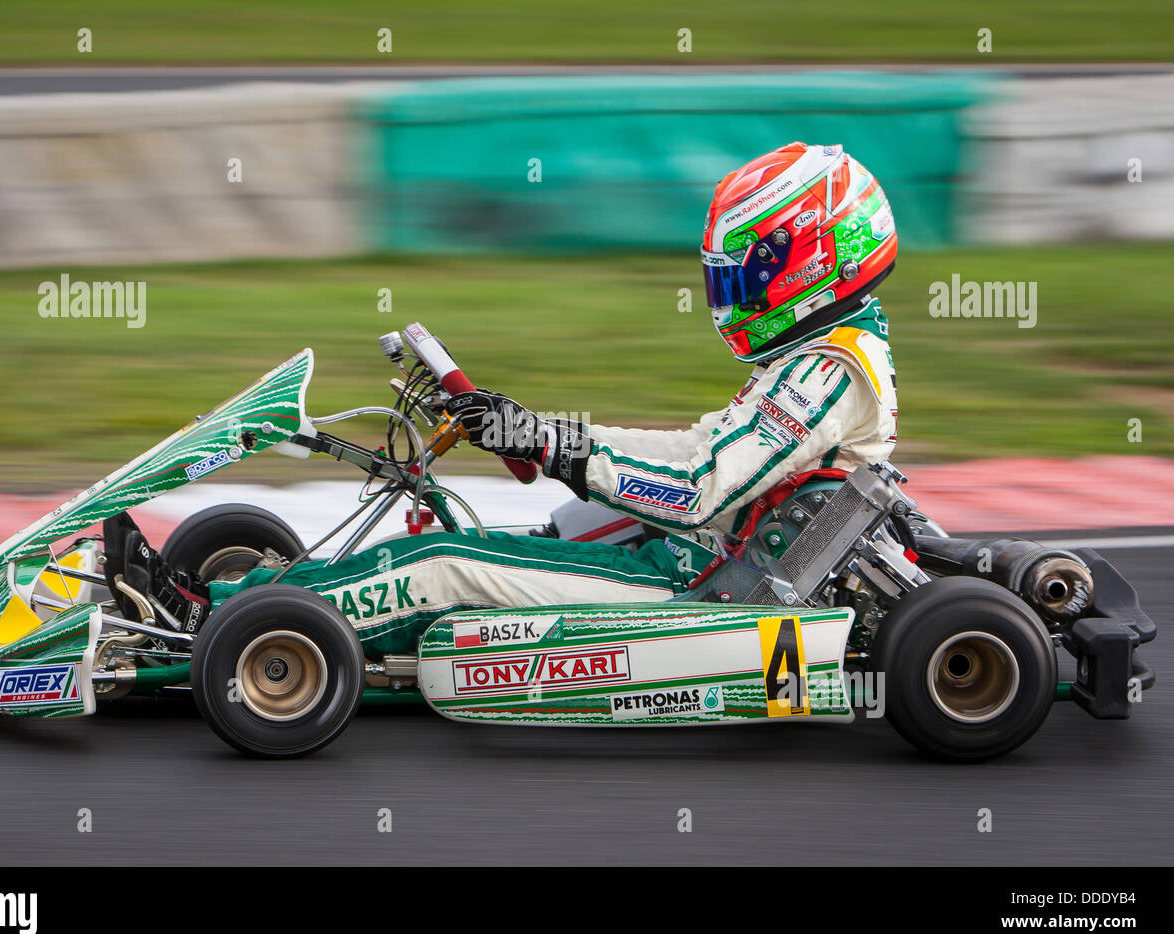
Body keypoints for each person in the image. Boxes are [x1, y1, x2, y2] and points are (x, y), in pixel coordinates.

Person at [113, 141, 901, 658]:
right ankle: (236, 596)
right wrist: (544, 435)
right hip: (679, 554)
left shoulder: (828, 373)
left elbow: (696, 486)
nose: (730, 297)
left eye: (743, 276)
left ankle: (208, 622)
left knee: (444, 565)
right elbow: (694, 454)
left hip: (693, 586)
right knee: (469, 536)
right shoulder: (819, 359)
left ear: (813, 260)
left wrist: (555, 445)